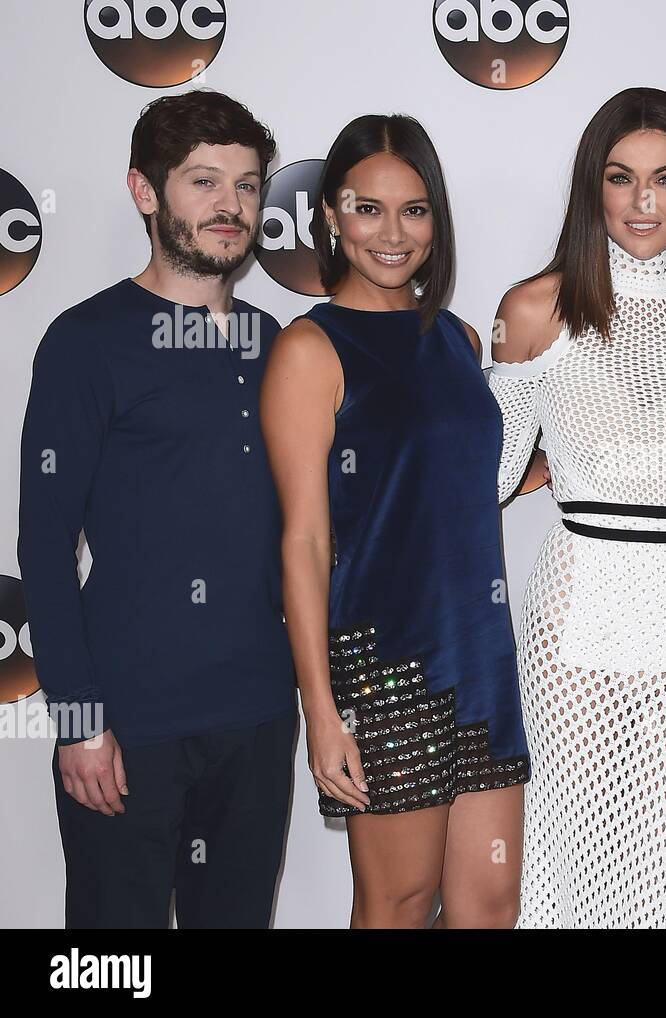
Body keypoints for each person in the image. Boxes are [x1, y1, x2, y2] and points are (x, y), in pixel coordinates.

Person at [489, 86, 666, 927]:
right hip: (577, 619)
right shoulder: (532, 309)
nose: (644, 202)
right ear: (593, 187)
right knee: (576, 850)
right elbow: (489, 476)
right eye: (621, 178)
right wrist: (562, 463)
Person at [18, 90, 297, 928]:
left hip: (255, 715)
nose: (231, 207)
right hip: (127, 723)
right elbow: (43, 544)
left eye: (248, 186)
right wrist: (76, 721)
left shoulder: (273, 341)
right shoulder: (85, 339)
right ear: (146, 191)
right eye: (204, 182)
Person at [261, 115, 529, 928]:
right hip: (383, 662)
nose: (393, 232)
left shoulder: (458, 337)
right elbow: (305, 541)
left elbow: (440, 481)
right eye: (367, 208)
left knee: (488, 907)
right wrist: (322, 709)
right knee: (399, 903)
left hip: (480, 656)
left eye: (414, 210)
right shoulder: (311, 350)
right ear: (331, 217)